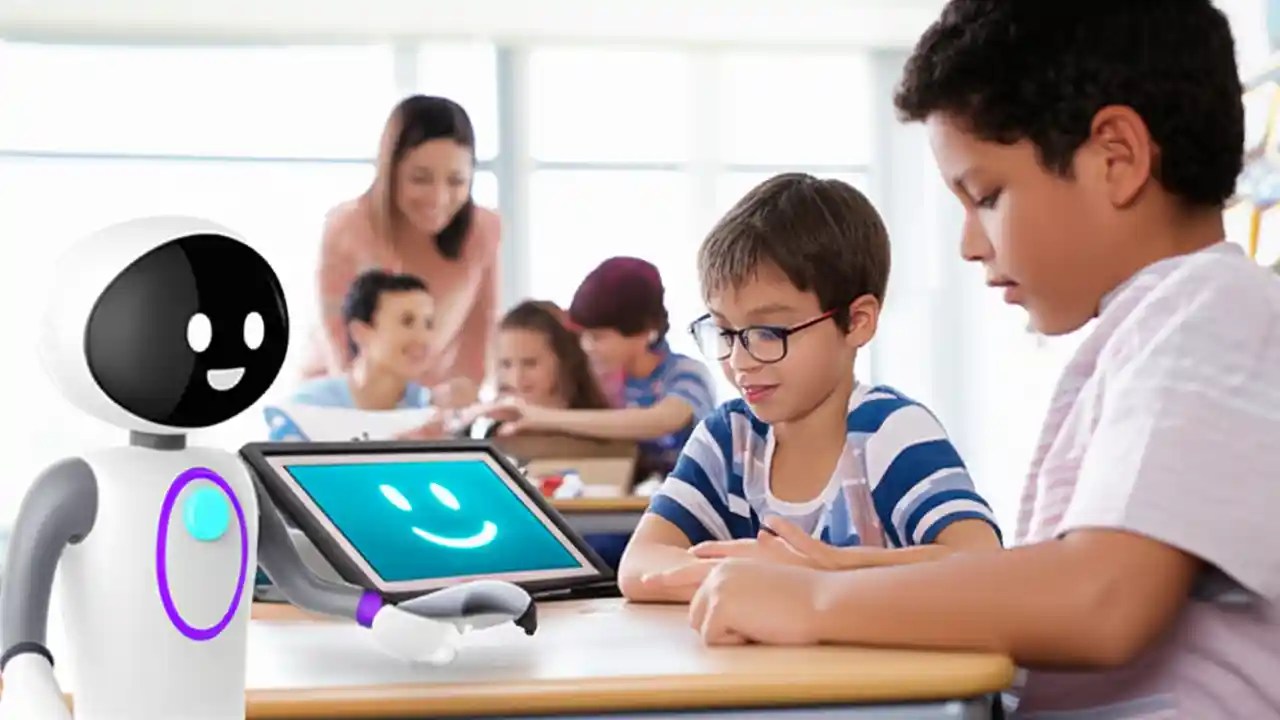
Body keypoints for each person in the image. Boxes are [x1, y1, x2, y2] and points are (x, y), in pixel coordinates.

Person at [667, 2, 1280, 718]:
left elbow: (1100, 599)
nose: (969, 244)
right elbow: (1059, 575)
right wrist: (837, 568)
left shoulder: (1207, 312)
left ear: (1117, 159)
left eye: (985, 197)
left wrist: (816, 598)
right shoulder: (1163, 324)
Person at [618, 174, 1002, 604]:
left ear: (857, 322)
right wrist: (748, 577)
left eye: (769, 332)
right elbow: (639, 564)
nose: (740, 360)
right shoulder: (729, 438)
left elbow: (981, 563)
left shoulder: (888, 432)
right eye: (725, 331)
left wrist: (818, 575)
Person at [300, 94, 499, 409]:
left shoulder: (484, 230)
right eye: (420, 179)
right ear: (390, 171)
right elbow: (339, 338)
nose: (439, 198)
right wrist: (375, 411)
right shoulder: (348, 227)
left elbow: (479, 335)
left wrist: (455, 405)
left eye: (456, 181)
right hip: (340, 396)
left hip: (427, 403)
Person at [483, 258, 717, 485]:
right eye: (583, 335)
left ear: (644, 331)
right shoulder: (603, 376)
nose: (587, 346)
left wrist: (539, 417)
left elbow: (664, 419)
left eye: (598, 337)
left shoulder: (685, 373)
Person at [292, 269, 435, 411]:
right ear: (360, 333)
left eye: (428, 324)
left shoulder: (430, 407)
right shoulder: (309, 407)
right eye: (407, 322)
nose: (422, 337)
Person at [495, 300, 614, 412]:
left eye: (530, 363)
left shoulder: (598, 423)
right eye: (506, 364)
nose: (516, 378)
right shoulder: (498, 421)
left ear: (563, 360)